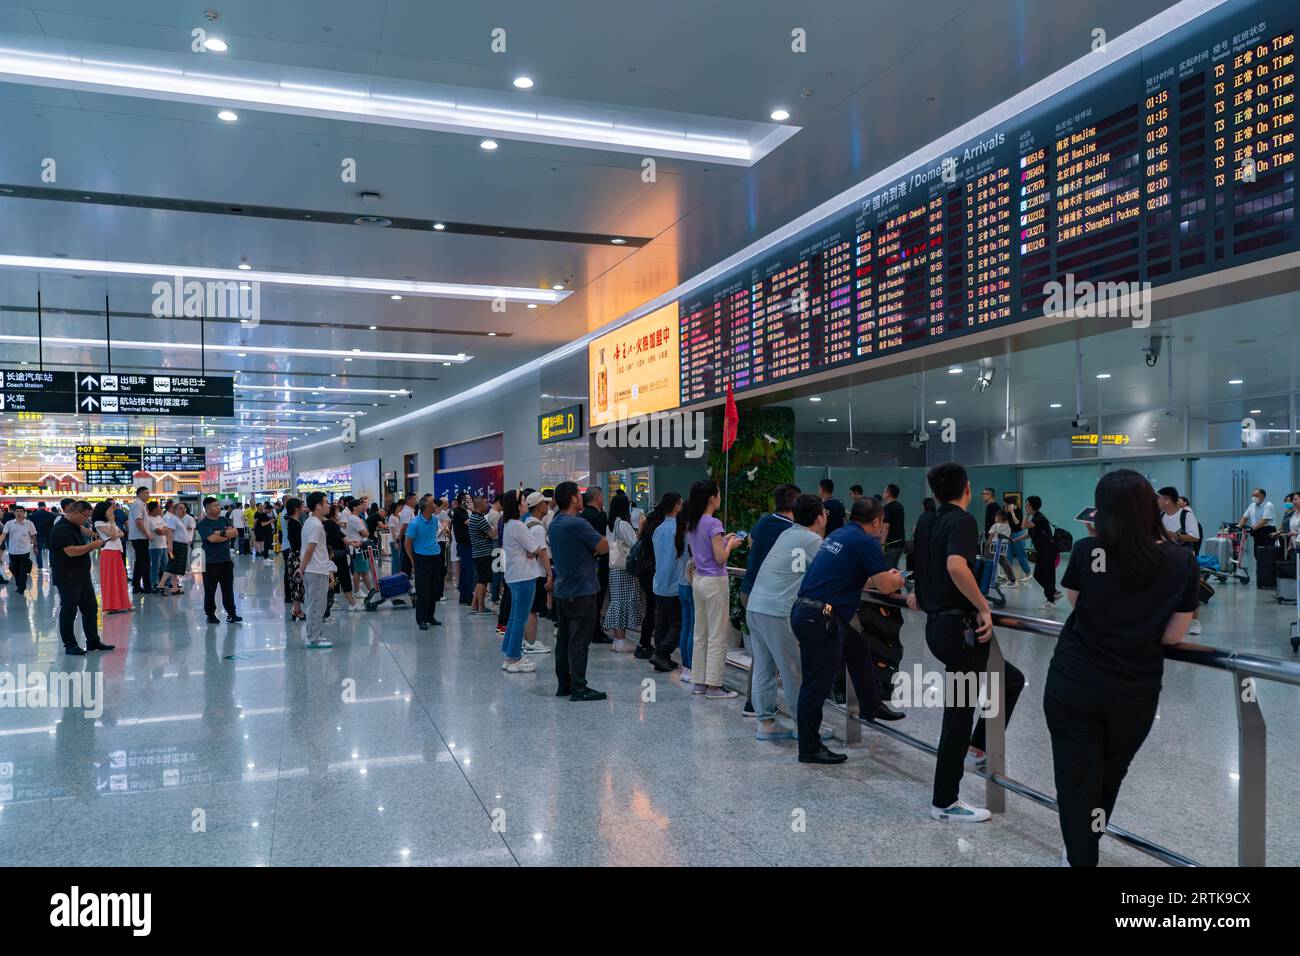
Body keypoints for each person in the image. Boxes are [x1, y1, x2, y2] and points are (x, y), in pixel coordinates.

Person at [1046, 470, 1196, 865]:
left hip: (1074, 679)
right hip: (1133, 689)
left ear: (1102, 510)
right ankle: (1083, 847)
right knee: (1109, 774)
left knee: (1076, 778)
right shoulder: (1180, 560)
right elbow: (1173, 635)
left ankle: (1079, 855)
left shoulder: (1087, 550)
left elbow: (1077, 602)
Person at [912, 461, 1026, 822]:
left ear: (934, 492)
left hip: (938, 627)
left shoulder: (926, 520)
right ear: (968, 489)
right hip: (960, 630)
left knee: (1009, 679)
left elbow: (921, 563)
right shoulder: (963, 520)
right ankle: (945, 801)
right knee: (958, 714)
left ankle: (977, 749)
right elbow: (955, 566)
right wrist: (983, 606)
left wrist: (920, 593)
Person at [790, 497, 906, 764]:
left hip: (807, 611)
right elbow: (885, 586)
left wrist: (877, 577)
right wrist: (897, 579)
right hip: (822, 618)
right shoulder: (867, 541)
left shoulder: (838, 535)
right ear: (876, 521)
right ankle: (809, 748)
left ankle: (870, 703)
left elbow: (849, 575)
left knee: (858, 647)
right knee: (815, 685)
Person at [747, 493, 828, 742]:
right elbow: (832, 570)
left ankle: (766, 724)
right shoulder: (812, 540)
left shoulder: (788, 533)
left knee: (763, 668)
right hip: (777, 611)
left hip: (756, 606)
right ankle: (804, 726)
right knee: (794, 671)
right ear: (819, 517)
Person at [738, 483, 801, 712]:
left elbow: (751, 542)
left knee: (762, 655)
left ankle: (754, 704)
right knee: (780, 659)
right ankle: (796, 713)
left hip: (749, 591)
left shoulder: (764, 521)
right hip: (770, 597)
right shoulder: (791, 530)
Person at [681, 479, 743, 700]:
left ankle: (699, 682)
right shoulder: (714, 523)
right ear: (711, 498)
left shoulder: (694, 522)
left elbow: (705, 551)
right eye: (718, 494)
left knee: (701, 633)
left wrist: (723, 541)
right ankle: (714, 686)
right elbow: (720, 557)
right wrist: (730, 545)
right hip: (715, 582)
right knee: (717, 635)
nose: (720, 497)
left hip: (698, 580)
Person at [548, 481, 610, 701]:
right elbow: (603, 546)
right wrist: (593, 549)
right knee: (579, 642)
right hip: (582, 590)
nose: (582, 498)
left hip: (563, 590)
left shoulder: (554, 523)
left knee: (564, 640)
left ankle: (564, 684)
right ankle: (579, 687)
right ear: (573, 498)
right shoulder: (578, 523)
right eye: (579, 494)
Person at [51, 501, 113, 654]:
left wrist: (93, 536)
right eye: (85, 516)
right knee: (69, 611)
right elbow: (71, 551)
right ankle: (70, 645)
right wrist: (93, 545)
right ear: (75, 512)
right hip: (68, 576)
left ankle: (93, 641)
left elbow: (84, 529)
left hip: (82, 575)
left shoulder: (75, 525)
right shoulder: (62, 528)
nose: (86, 520)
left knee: (90, 608)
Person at [501, 490, 550, 672]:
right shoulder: (518, 526)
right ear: (516, 505)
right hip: (524, 576)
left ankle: (509, 653)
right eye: (522, 500)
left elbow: (530, 549)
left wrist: (531, 550)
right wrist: (549, 573)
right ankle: (513, 658)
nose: (525, 504)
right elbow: (536, 549)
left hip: (515, 575)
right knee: (520, 618)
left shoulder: (509, 524)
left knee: (515, 617)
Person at [1157, 486, 1203, 635]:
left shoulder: (1186, 515)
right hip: (1166, 556)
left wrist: (1174, 536)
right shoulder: (1161, 516)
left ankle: (1194, 622)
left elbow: (1195, 537)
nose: (1157, 501)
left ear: (1167, 500)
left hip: (1184, 556)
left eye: (1159, 498)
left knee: (1190, 589)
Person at [648, 492, 685, 672]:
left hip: (659, 583)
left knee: (661, 624)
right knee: (679, 623)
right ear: (677, 507)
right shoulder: (680, 529)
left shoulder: (659, 529)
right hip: (674, 583)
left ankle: (662, 656)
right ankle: (662, 654)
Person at [602, 493, 644, 652]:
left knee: (616, 602)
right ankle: (621, 640)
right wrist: (641, 529)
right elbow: (635, 544)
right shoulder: (624, 525)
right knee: (624, 602)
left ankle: (617, 639)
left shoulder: (610, 524)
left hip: (614, 567)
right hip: (624, 568)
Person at [297, 492, 334, 649]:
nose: (329, 505)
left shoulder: (310, 522)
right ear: (318, 506)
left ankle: (314, 634)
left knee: (314, 604)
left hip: (315, 569)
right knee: (317, 605)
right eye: (326, 502)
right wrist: (301, 568)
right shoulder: (316, 526)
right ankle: (314, 638)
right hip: (316, 570)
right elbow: (309, 550)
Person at [196, 496, 241, 624]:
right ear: (208, 509)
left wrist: (219, 533)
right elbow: (212, 539)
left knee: (228, 589)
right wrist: (226, 535)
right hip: (210, 562)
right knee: (210, 590)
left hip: (226, 561)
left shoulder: (224, 520)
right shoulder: (203, 524)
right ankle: (210, 615)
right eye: (215, 506)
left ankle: (232, 613)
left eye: (218, 505)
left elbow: (235, 532)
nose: (218, 507)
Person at [519, 492, 553, 654]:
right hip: (537, 572)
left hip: (526, 572)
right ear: (539, 506)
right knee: (533, 610)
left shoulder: (527, 523)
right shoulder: (538, 528)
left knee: (528, 608)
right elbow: (543, 553)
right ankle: (531, 643)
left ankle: (527, 641)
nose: (547, 506)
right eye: (545, 503)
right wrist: (550, 573)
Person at [579, 487, 614, 644]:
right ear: (597, 498)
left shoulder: (581, 516)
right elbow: (601, 541)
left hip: (585, 561)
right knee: (598, 597)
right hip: (599, 561)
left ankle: (588, 629)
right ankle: (596, 631)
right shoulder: (600, 515)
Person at [405, 495, 444, 630]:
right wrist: (413, 561)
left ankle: (430, 616)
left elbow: (433, 536)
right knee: (423, 590)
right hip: (422, 558)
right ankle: (421, 619)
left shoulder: (434, 520)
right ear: (426, 507)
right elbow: (407, 543)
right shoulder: (415, 523)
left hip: (435, 556)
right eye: (433, 503)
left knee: (434, 589)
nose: (435, 505)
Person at [1023, 495, 1061, 609]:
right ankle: (1053, 592)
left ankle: (1051, 600)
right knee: (1037, 574)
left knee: (1048, 575)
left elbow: (1023, 525)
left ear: (1032, 506)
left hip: (1048, 550)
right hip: (1042, 551)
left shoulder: (1038, 518)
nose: (1025, 506)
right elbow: (1029, 533)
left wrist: (1027, 514)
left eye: (1027, 504)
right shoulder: (1036, 517)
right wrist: (1016, 540)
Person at [0, 505, 38, 595]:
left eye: (21, 511)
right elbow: (4, 534)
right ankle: (19, 584)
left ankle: (22, 586)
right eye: (17, 511)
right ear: (14, 513)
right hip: (13, 550)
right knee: (15, 569)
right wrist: (0, 540)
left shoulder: (29, 523)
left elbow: (33, 536)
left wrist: (35, 546)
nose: (19, 513)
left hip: (25, 550)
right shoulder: (9, 523)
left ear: (24, 513)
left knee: (22, 569)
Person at [1239, 487, 1276, 574]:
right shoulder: (1252, 505)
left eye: (1256, 495)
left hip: (1267, 531)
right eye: (1253, 495)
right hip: (1257, 531)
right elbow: (1245, 517)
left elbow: (1264, 521)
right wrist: (1238, 526)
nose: (1254, 497)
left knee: (1266, 553)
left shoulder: (1268, 505)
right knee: (1257, 553)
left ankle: (1267, 573)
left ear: (1263, 496)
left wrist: (1252, 529)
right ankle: (1260, 571)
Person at [128, 486, 152, 593]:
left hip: (139, 537)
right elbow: (138, 522)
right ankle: (147, 587)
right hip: (140, 537)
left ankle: (136, 585)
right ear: (140, 493)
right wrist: (147, 534)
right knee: (145, 562)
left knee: (139, 562)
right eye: (146, 493)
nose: (148, 495)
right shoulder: (138, 505)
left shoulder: (141, 505)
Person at [1002, 494, 1032, 580]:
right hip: (1009, 534)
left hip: (1018, 534)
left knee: (1020, 554)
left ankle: (1028, 573)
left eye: (1006, 504)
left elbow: (1017, 523)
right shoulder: (1007, 512)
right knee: (1008, 555)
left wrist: (1012, 512)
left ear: (1011, 504)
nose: (1004, 506)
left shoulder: (1019, 511)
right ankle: (1009, 574)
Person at [145, 500, 170, 594]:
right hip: (155, 546)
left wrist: (163, 530)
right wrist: (163, 531)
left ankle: (166, 582)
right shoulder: (149, 519)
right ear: (155, 509)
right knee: (155, 566)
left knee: (165, 565)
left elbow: (166, 529)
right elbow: (158, 531)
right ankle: (155, 584)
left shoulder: (160, 517)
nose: (161, 509)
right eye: (159, 507)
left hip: (163, 545)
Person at [881, 483, 906, 568]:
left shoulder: (888, 507)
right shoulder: (900, 506)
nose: (883, 494)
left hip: (891, 544)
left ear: (888, 493)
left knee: (888, 569)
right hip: (900, 544)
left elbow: (886, 526)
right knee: (894, 568)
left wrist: (882, 544)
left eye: (884, 491)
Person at [28, 500, 53, 572]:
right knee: (51, 550)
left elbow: (30, 525)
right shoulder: (50, 514)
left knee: (38, 551)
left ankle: (40, 566)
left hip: (37, 535)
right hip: (48, 535)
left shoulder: (33, 515)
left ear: (38, 506)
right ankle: (51, 564)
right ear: (45, 506)